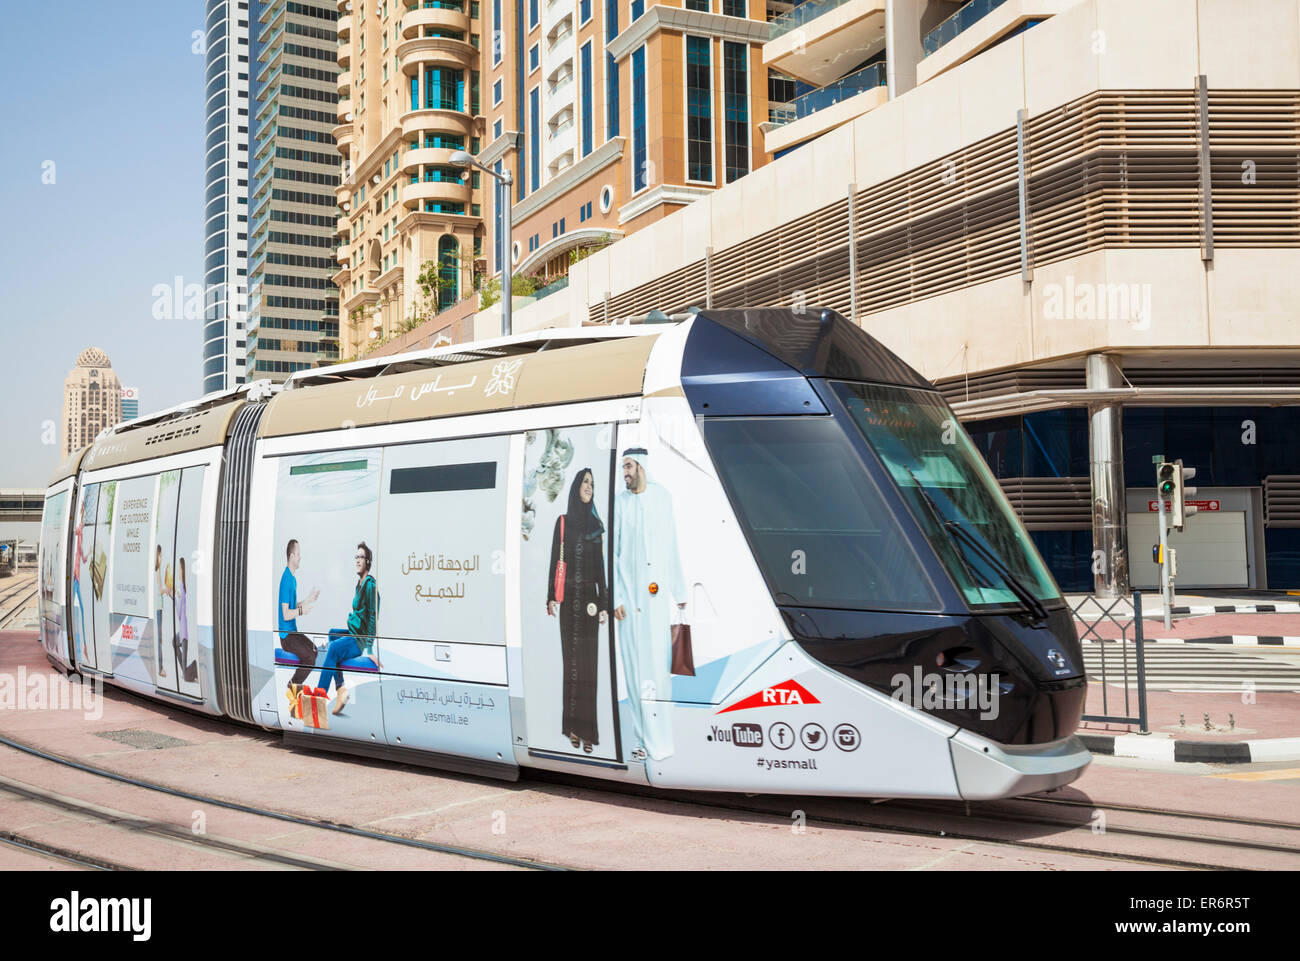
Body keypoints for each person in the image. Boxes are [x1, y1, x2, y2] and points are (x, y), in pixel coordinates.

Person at [613, 448, 686, 761]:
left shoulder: (662, 497)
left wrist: (680, 592)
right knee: (633, 669)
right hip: (628, 603)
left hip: (655, 603)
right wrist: (614, 597)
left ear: (641, 465)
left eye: (628, 466)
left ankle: (663, 743)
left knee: (658, 671)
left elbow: (671, 546)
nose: (625, 472)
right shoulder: (619, 502)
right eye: (623, 467)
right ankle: (642, 741)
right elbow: (612, 555)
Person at [547, 469, 609, 754]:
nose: (590, 488)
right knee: (570, 667)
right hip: (568, 605)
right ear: (576, 487)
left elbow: (601, 570)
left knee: (588, 669)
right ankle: (571, 728)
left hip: (590, 606)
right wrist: (551, 597)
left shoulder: (596, 525)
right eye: (585, 482)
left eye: (593, 484)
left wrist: (605, 604)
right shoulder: (563, 523)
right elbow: (554, 562)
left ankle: (588, 733)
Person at [316, 542, 380, 715]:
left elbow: (373, 618)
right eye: (356, 557)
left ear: (368, 561)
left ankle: (318, 700)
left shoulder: (370, 586)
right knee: (332, 634)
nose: (358, 560)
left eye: (361, 557)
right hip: (353, 633)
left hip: (359, 640)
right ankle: (341, 689)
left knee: (333, 649)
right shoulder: (359, 585)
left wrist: (369, 648)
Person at [278, 539, 321, 714]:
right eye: (298, 554)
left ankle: (296, 685)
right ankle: (294, 684)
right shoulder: (286, 579)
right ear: (292, 555)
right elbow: (286, 614)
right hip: (286, 637)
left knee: (315, 651)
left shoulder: (292, 579)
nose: (300, 557)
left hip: (292, 633)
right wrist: (303, 610)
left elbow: (293, 607)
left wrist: (308, 600)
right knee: (311, 656)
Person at [153, 546, 167, 679]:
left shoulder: (157, 570)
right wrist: (169, 589)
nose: (161, 558)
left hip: (159, 607)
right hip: (158, 608)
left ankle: (161, 666)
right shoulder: (157, 570)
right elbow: (160, 590)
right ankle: (160, 667)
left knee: (160, 638)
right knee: (159, 639)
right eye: (160, 555)